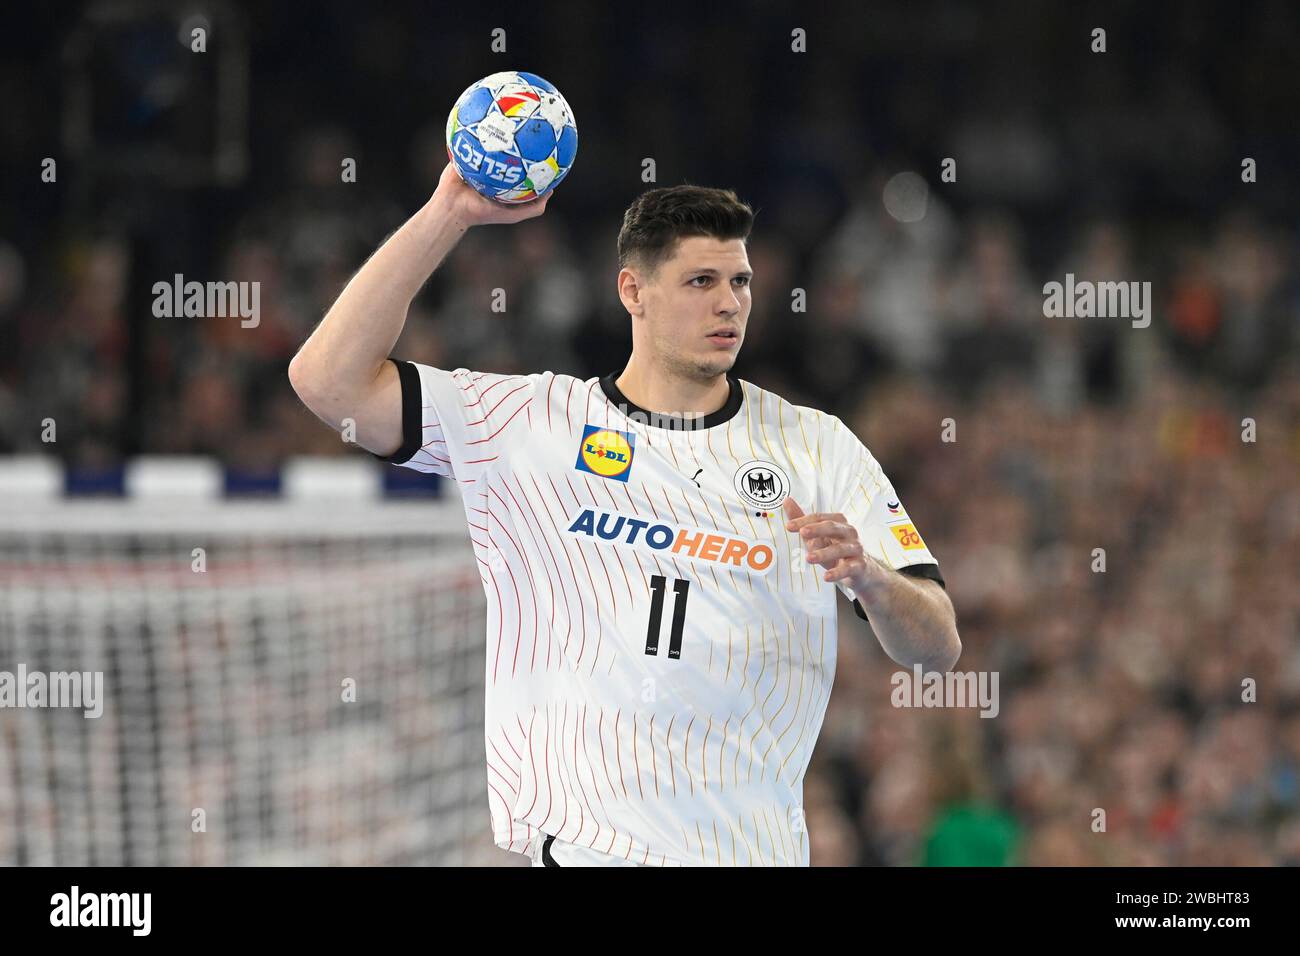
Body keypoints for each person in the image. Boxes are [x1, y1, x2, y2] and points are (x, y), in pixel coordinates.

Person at [288, 162, 961, 866]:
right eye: (701, 282)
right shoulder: (530, 424)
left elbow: (936, 646)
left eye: (740, 282)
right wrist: (447, 214)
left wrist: (871, 578)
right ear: (632, 291)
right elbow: (327, 381)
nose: (729, 304)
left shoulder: (818, 447)